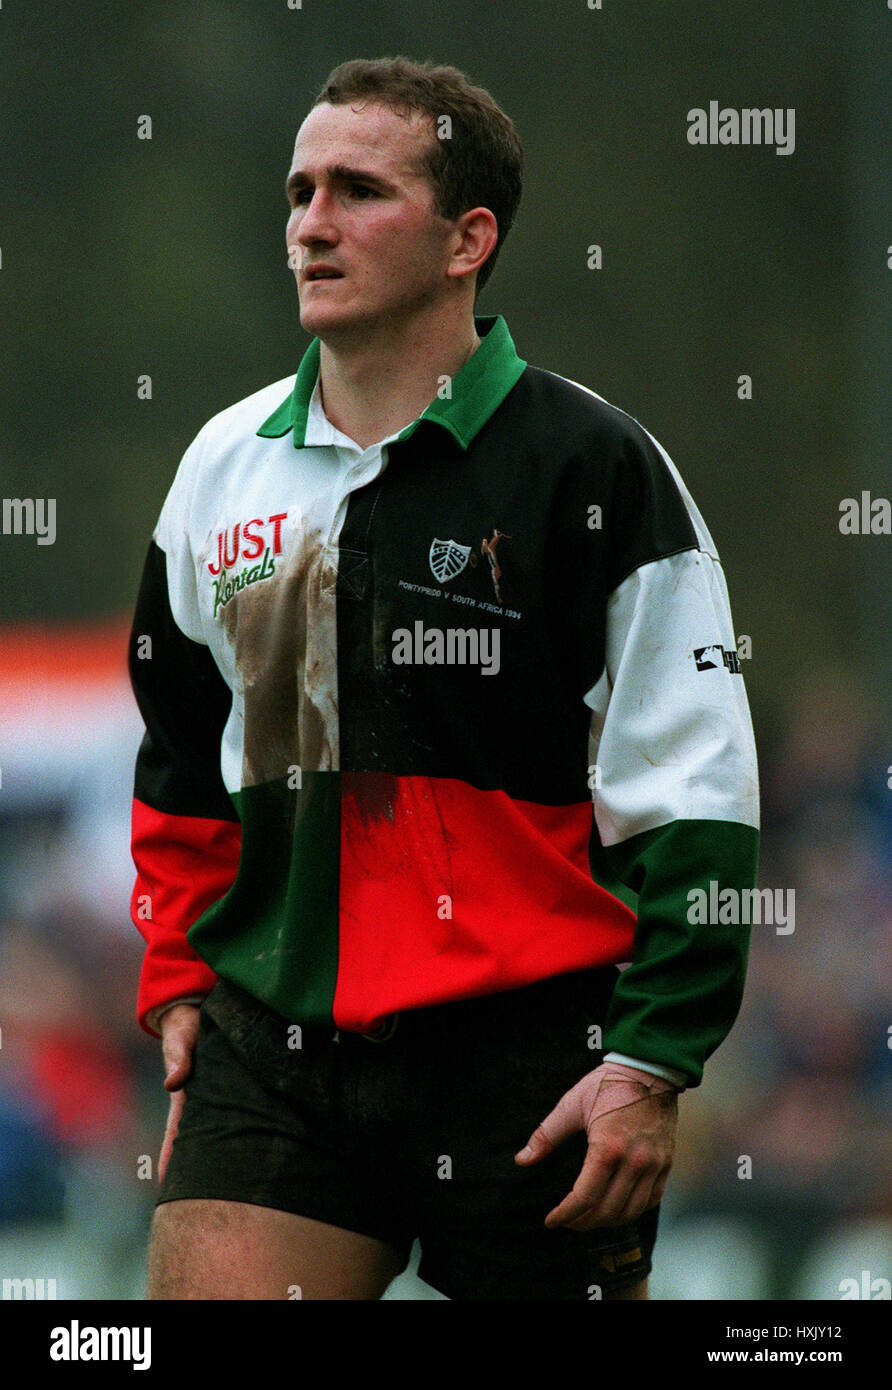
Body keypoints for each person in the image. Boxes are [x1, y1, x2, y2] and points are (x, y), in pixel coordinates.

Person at [128, 56, 760, 1301]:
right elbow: (178, 760)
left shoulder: (599, 468)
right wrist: (178, 979)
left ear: (470, 237)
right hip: (277, 1047)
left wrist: (650, 1060)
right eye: (301, 190)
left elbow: (694, 790)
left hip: (536, 1065)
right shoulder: (220, 466)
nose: (312, 223)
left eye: (358, 191)